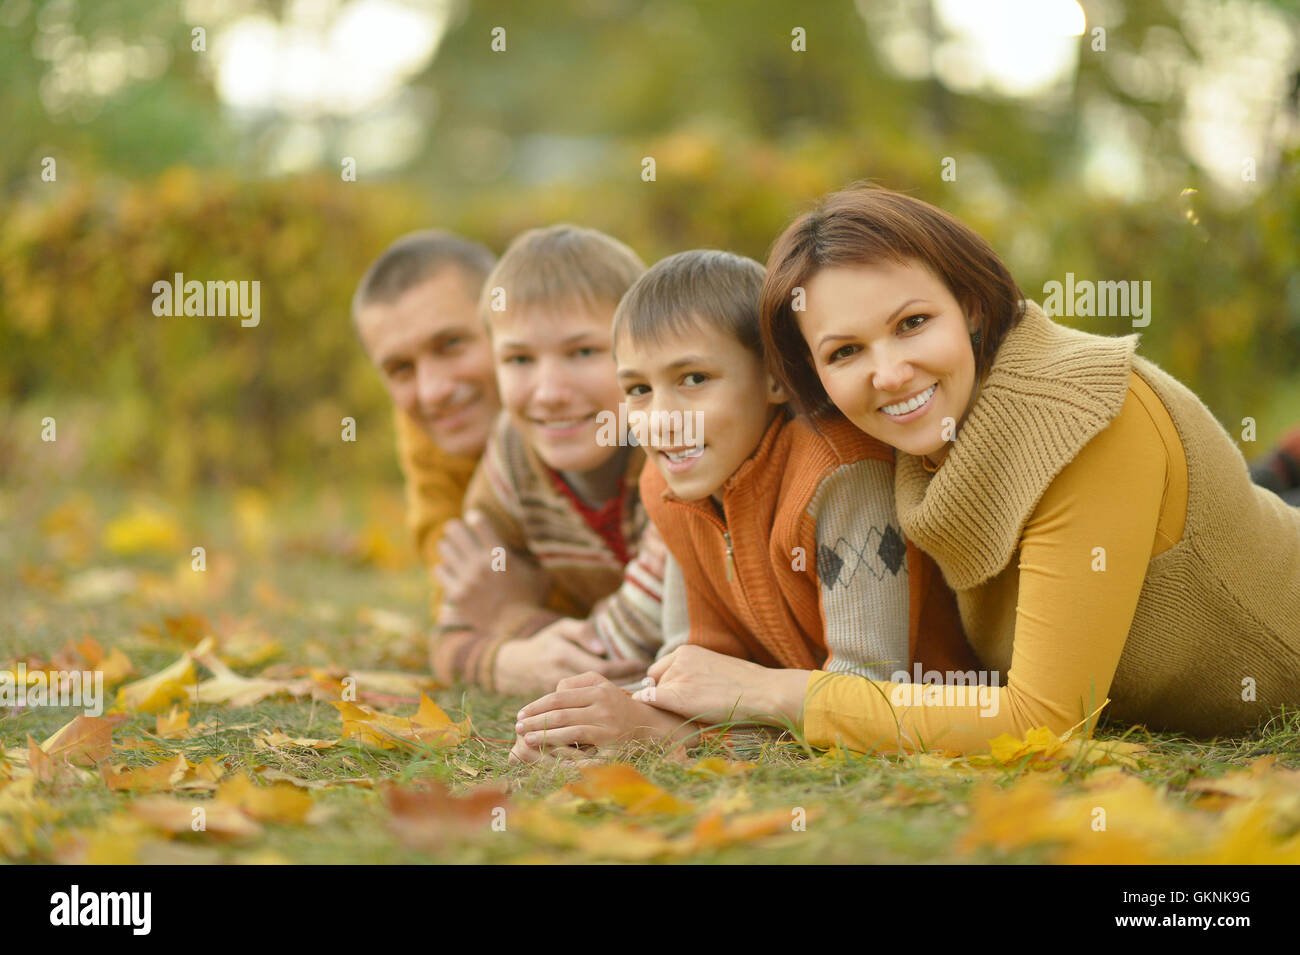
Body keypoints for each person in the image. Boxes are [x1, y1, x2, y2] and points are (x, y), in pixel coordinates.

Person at [632, 185, 1300, 755]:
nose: (890, 373)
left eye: (913, 322)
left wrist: (771, 693)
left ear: (971, 306)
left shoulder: (1086, 418)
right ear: (812, 377)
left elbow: (1043, 723)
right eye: (845, 351)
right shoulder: (913, 443)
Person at [511, 249, 976, 763]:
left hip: (935, 716)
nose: (664, 420)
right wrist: (597, 727)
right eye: (638, 389)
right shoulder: (667, 489)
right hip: (804, 710)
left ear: (776, 379)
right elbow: (687, 666)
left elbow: (865, 699)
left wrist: (661, 737)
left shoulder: (841, 477)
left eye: (693, 379)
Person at [431, 224, 676, 696]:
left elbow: (646, 643)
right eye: (519, 360)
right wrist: (505, 662)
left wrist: (511, 621)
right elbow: (452, 629)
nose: (549, 394)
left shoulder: (672, 449)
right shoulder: (512, 455)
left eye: (583, 352)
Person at [353, 230, 549, 611]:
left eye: (450, 345)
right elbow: (459, 590)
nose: (432, 392)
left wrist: (519, 605)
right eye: (400, 369)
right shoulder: (426, 427)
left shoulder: (598, 405)